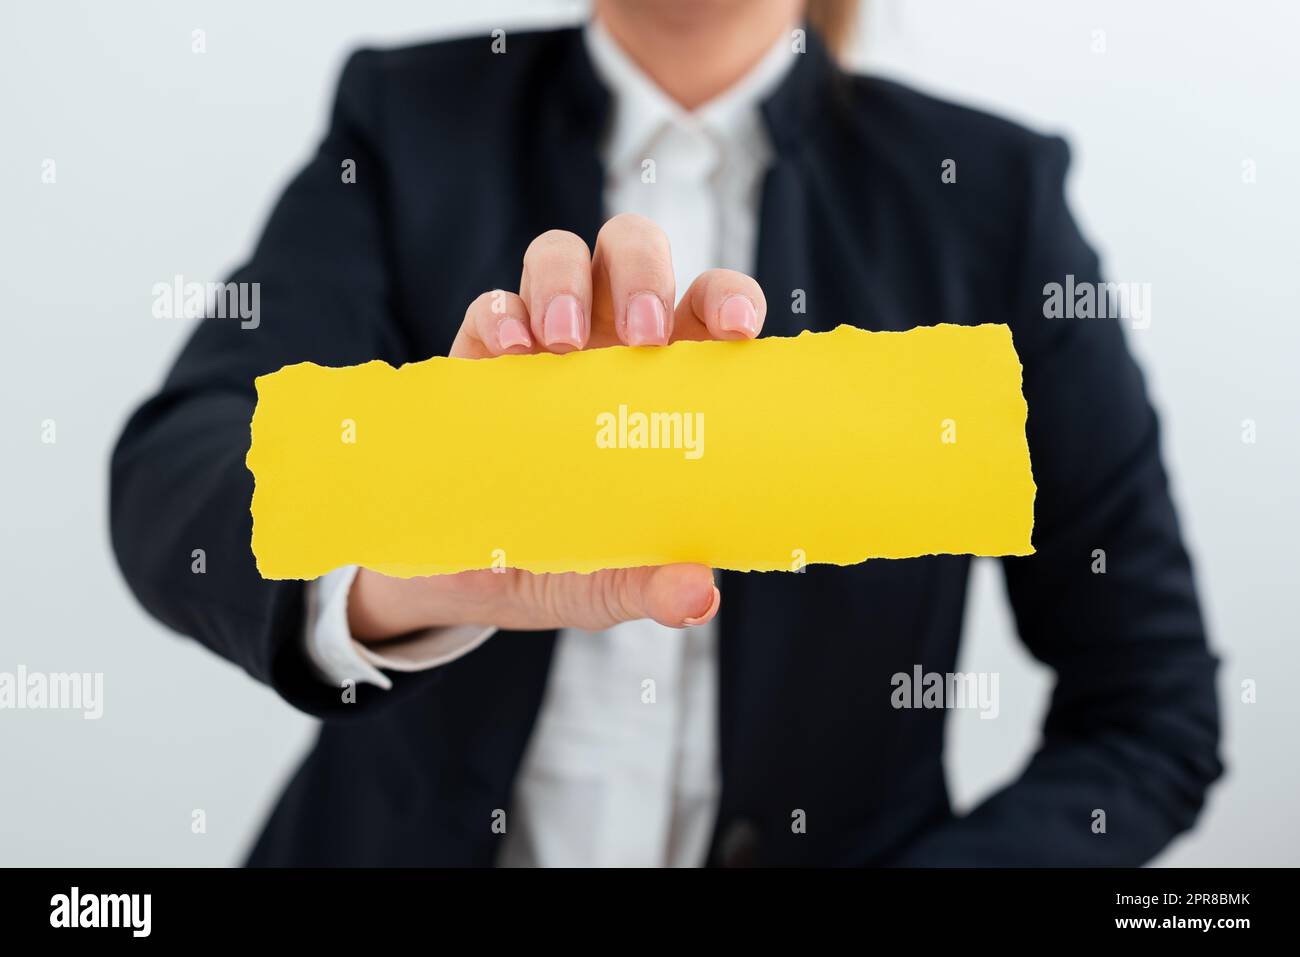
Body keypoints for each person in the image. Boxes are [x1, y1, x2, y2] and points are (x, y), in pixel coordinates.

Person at [110, 0, 1221, 866]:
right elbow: (178, 470)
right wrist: (388, 568)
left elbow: (1151, 709)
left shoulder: (990, 196)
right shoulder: (408, 119)